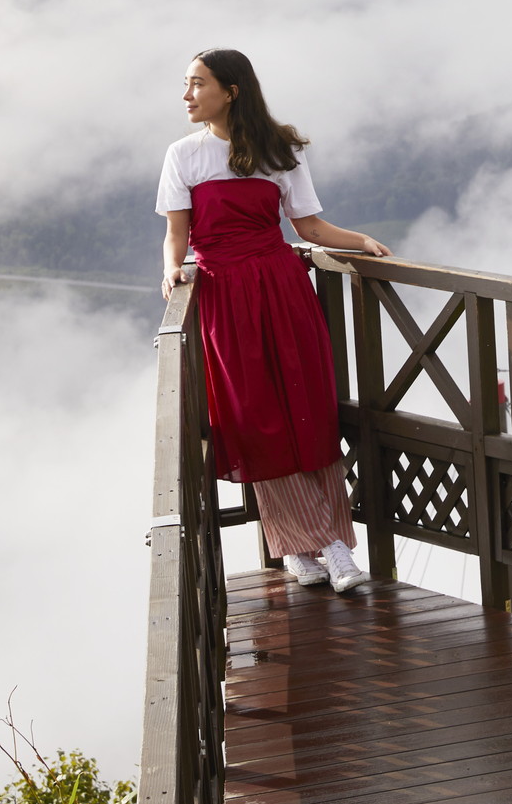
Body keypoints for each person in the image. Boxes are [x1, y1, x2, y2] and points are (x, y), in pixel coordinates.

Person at [157, 48, 389, 594]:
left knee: (306, 411)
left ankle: (315, 546)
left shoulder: (280, 148)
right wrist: (172, 269)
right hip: (225, 296)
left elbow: (309, 227)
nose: (187, 95)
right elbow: (176, 235)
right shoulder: (184, 155)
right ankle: (320, 545)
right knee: (258, 418)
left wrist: (359, 241)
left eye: (197, 83)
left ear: (231, 90)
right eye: (187, 84)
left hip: (282, 289)